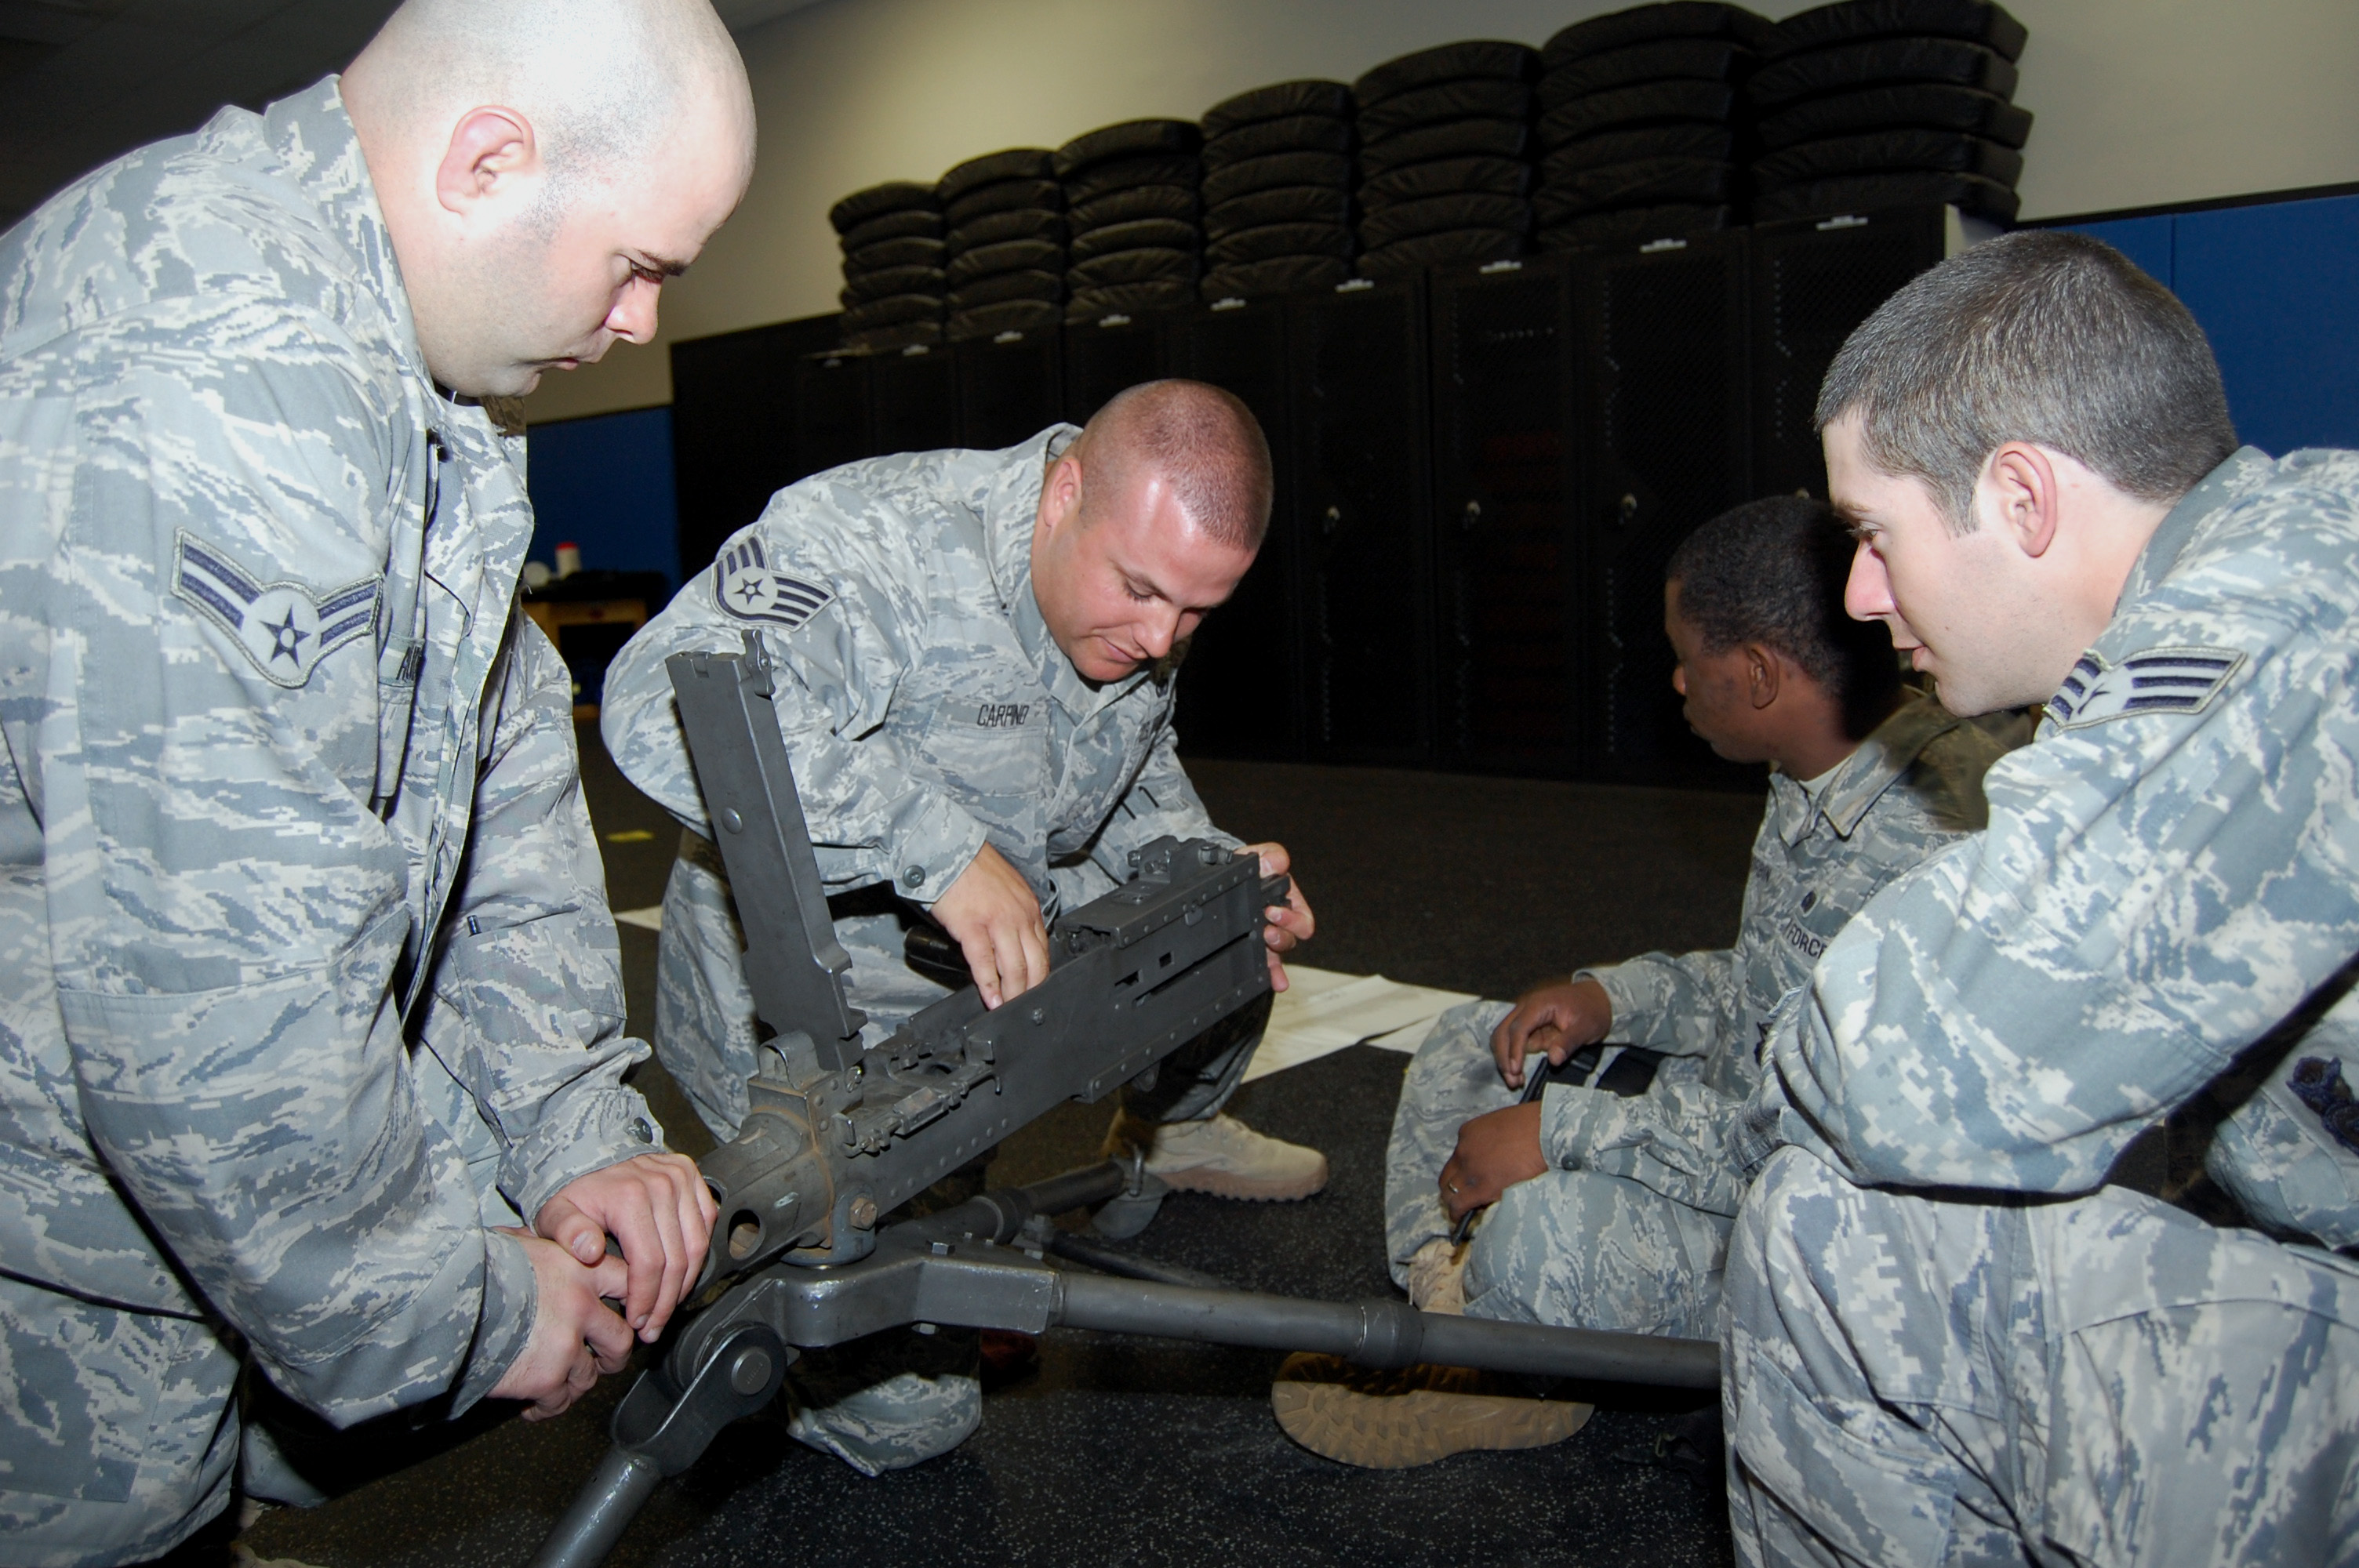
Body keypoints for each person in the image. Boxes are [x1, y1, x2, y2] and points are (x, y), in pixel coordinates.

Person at [0, 3, 757, 1561]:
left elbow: (496, 762)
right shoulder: (218, 369)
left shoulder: (409, 353)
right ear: (487, 163)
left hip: (177, 1157)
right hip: (54, 1222)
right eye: (636, 266)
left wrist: (571, 1121)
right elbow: (211, 993)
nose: (637, 325)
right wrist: (460, 1312)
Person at [1724, 230, 2359, 1565]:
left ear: (2020, 496)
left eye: (1872, 535)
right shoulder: (2291, 555)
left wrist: (1767, 1067)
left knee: (1835, 1231)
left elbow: (1917, 1065)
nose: (1859, 594)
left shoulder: (2272, 622)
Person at [598, 377, 1323, 1472]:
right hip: (814, 1019)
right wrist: (930, 845)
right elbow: (652, 703)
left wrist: (1207, 866)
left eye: (1194, 615)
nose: (1159, 637)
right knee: (919, 1421)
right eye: (1139, 592)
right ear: (1063, 493)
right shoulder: (877, 539)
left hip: (992, 963)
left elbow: (1128, 767)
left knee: (1230, 915)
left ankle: (1164, 1138)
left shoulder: (1140, 591)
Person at [1272, 495, 2012, 1469]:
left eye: (1686, 656)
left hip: (1829, 1234)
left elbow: (1816, 1149)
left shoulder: (1924, 845)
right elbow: (1765, 985)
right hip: (1733, 1122)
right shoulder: (1826, 765)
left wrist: (1562, 1132)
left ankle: (1497, 1350)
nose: (1675, 679)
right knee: (1469, 1043)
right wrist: (1613, 997)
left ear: (1758, 674)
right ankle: (1459, 1309)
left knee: (1540, 1231)